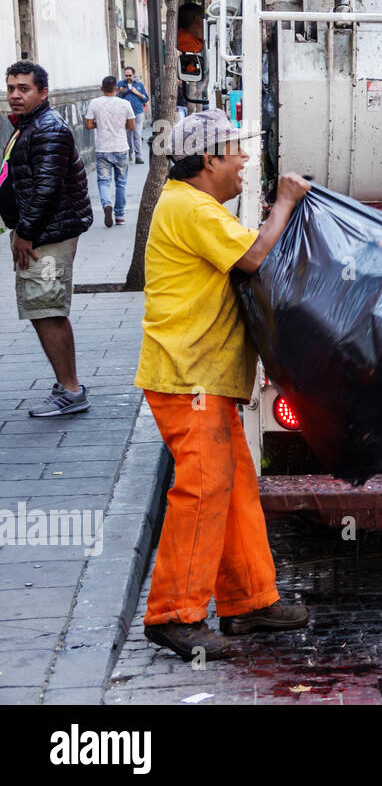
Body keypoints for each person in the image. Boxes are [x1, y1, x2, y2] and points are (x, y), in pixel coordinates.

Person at [136, 109, 311, 660]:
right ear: (208, 159)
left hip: (201, 377)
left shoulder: (194, 206)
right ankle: (172, 613)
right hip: (189, 378)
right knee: (204, 493)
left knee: (234, 492)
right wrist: (284, 202)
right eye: (236, 150)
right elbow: (255, 256)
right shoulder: (190, 207)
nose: (243, 160)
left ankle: (249, 602)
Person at [2, 61, 93, 417]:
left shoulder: (48, 128)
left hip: (46, 235)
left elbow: (46, 189)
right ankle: (66, 384)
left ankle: (71, 390)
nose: (14, 95)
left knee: (47, 308)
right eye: (11, 88)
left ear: (43, 93)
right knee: (45, 308)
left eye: (23, 88)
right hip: (42, 232)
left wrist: (25, 233)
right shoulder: (30, 126)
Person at [85, 75, 137, 227]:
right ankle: (119, 215)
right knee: (121, 183)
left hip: (103, 148)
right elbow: (132, 126)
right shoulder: (125, 103)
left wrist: (99, 124)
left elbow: (88, 125)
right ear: (116, 89)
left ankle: (107, 204)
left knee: (103, 182)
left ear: (101, 88)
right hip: (121, 147)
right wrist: (121, 126)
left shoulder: (94, 103)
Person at [116, 66, 150, 164]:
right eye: (126, 75)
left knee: (137, 134)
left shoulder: (139, 85)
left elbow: (146, 99)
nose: (128, 77)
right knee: (128, 135)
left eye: (130, 75)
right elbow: (116, 98)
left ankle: (138, 156)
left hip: (138, 112)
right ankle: (130, 154)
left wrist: (137, 93)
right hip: (125, 114)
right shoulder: (120, 84)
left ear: (133, 75)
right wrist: (120, 92)